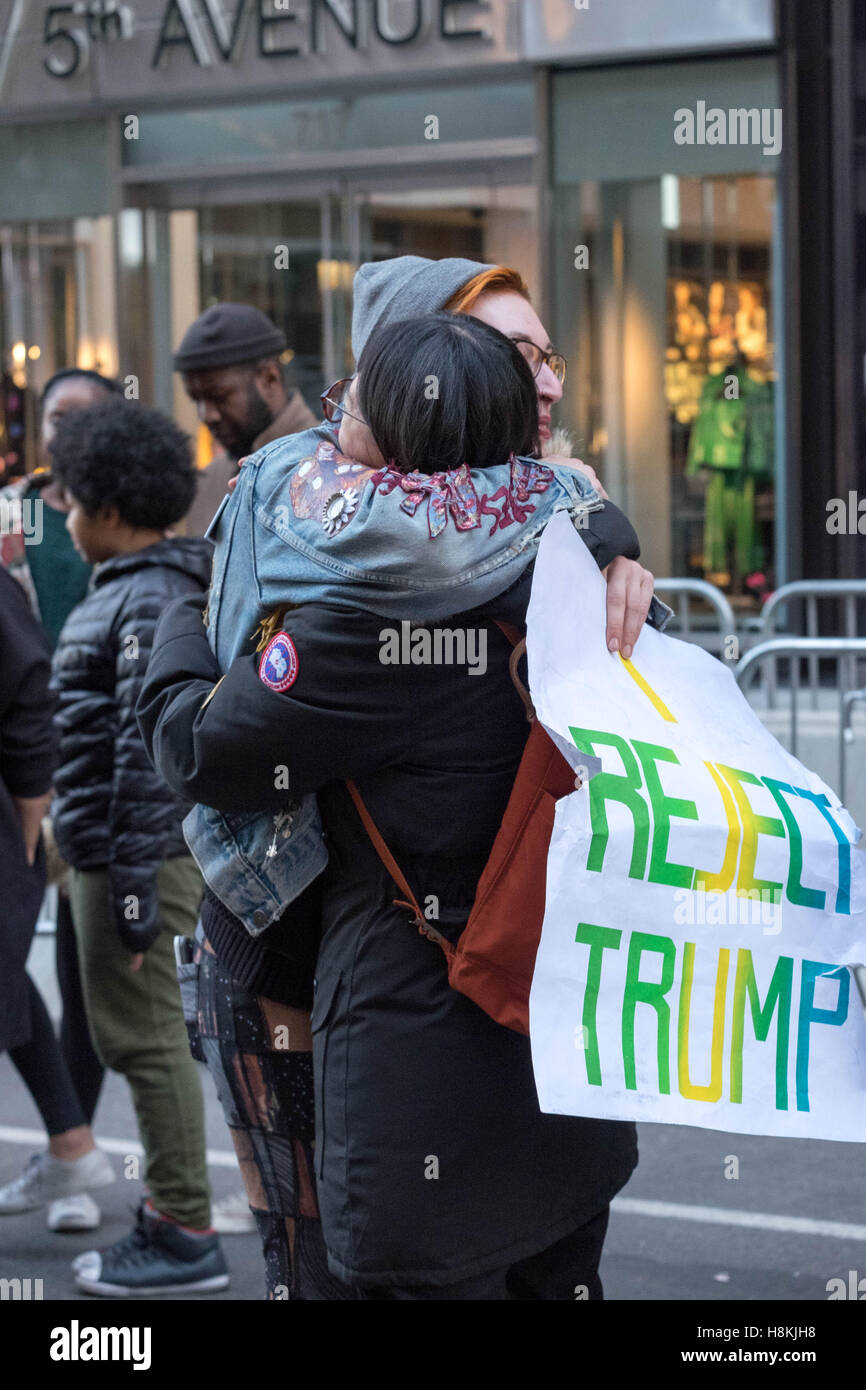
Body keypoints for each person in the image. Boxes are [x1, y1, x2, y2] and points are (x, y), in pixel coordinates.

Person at [139, 313, 642, 1299]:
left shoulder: (364, 618)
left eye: (351, 406)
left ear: (395, 439)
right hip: (567, 1038)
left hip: (418, 1056)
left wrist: (191, 596)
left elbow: (200, 745)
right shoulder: (582, 560)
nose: (331, 425)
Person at [46, 399, 227, 1296]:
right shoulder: (144, 586)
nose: (63, 515)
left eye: (73, 500)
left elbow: (140, 758)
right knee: (140, 1039)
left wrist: (126, 893)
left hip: (136, 861)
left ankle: (185, 1231)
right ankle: (172, 1217)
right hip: (121, 856)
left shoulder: (145, 595)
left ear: (112, 510)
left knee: (148, 1042)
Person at [0, 366, 123, 1234]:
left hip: (94, 761)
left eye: (83, 417)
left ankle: (79, 1147)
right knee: (20, 962)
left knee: (93, 971)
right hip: (36, 752)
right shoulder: (17, 510)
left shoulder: (136, 510)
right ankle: (71, 1147)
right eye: (54, 417)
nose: (64, 433)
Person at [174, 302, 318, 536]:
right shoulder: (205, 484)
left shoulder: (332, 465)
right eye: (196, 400)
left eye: (219, 397)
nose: (206, 415)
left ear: (269, 378)